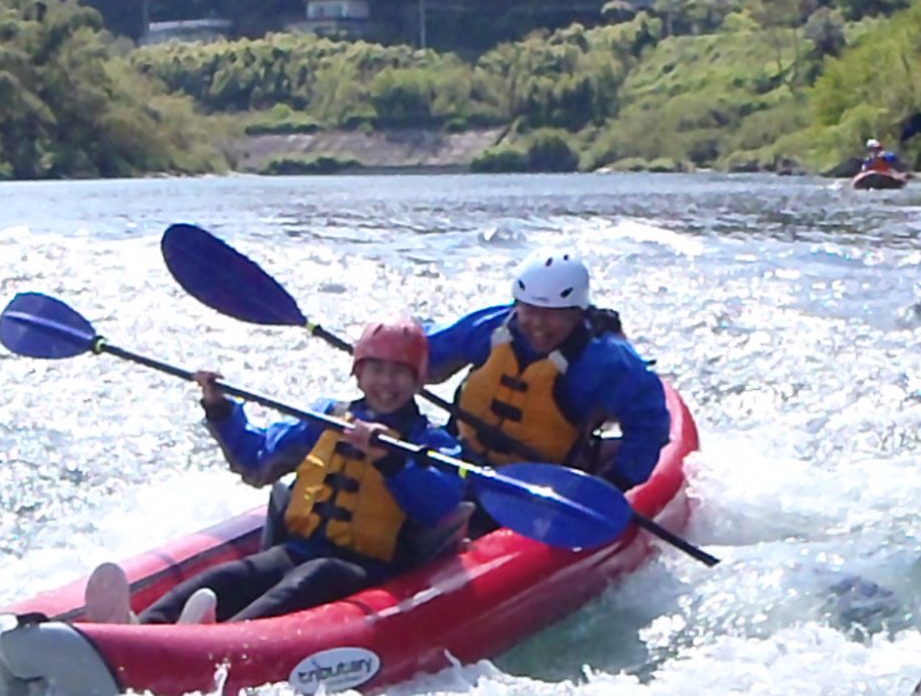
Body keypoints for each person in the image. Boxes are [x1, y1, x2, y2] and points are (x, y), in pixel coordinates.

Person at [85, 320, 466, 626]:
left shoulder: (430, 441)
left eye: (399, 372)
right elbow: (256, 459)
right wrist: (220, 408)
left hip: (366, 570)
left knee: (310, 578)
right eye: (376, 369)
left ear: (417, 380)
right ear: (358, 374)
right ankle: (141, 627)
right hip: (298, 549)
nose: (386, 382)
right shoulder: (326, 419)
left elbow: (438, 505)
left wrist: (390, 459)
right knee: (228, 578)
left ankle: (209, 642)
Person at [423, 247, 670, 495]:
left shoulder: (603, 360)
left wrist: (614, 483)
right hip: (462, 462)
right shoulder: (488, 329)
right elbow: (424, 353)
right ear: (517, 305)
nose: (538, 324)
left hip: (545, 488)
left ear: (576, 313)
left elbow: (649, 423)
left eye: (553, 313)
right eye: (530, 310)